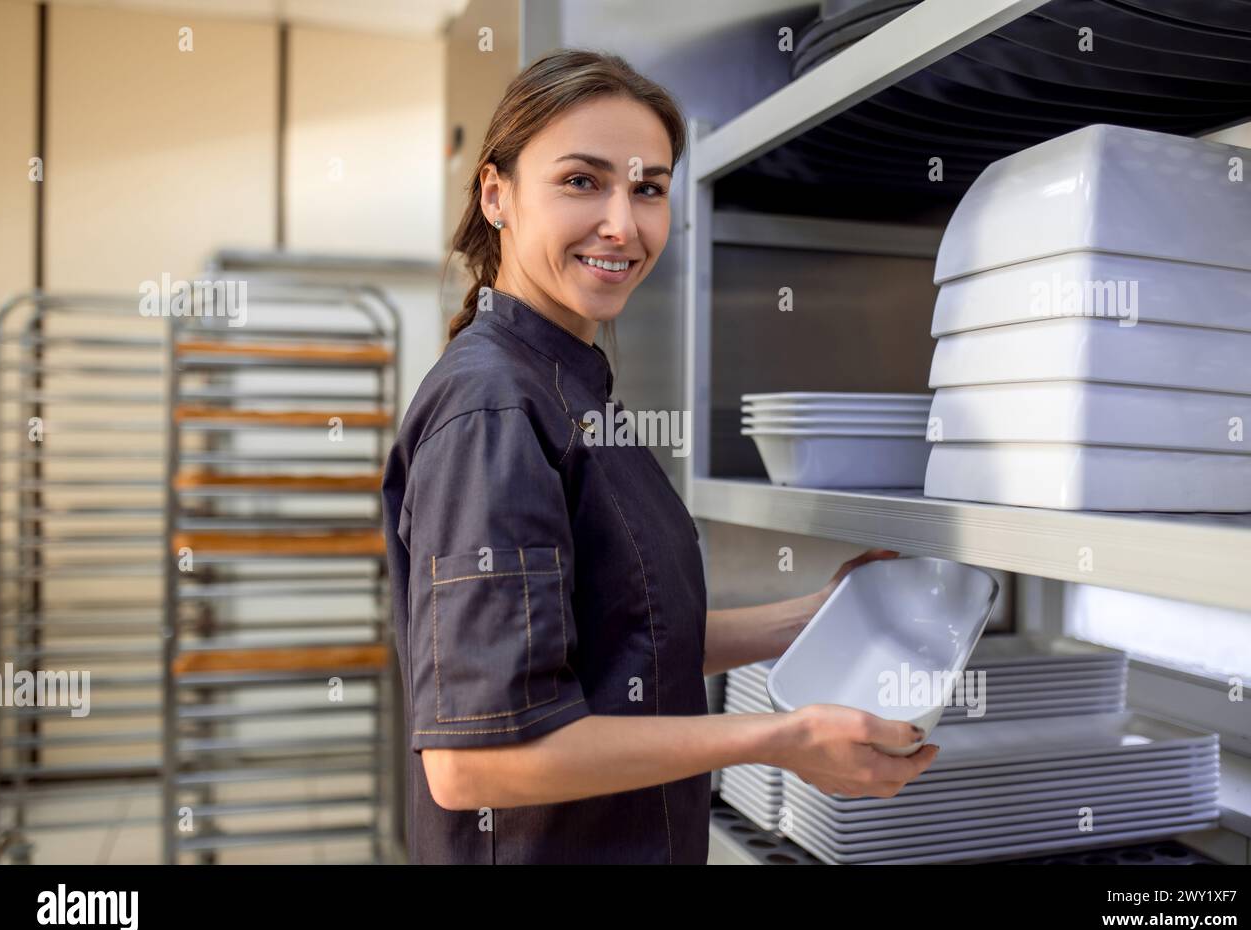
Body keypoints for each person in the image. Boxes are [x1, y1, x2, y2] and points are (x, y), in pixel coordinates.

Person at [381, 49, 939, 864]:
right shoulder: (494, 408)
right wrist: (779, 737)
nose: (623, 223)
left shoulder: (567, 385)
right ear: (496, 195)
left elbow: (620, 638)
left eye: (648, 188)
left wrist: (813, 618)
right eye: (582, 181)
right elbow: (474, 763)